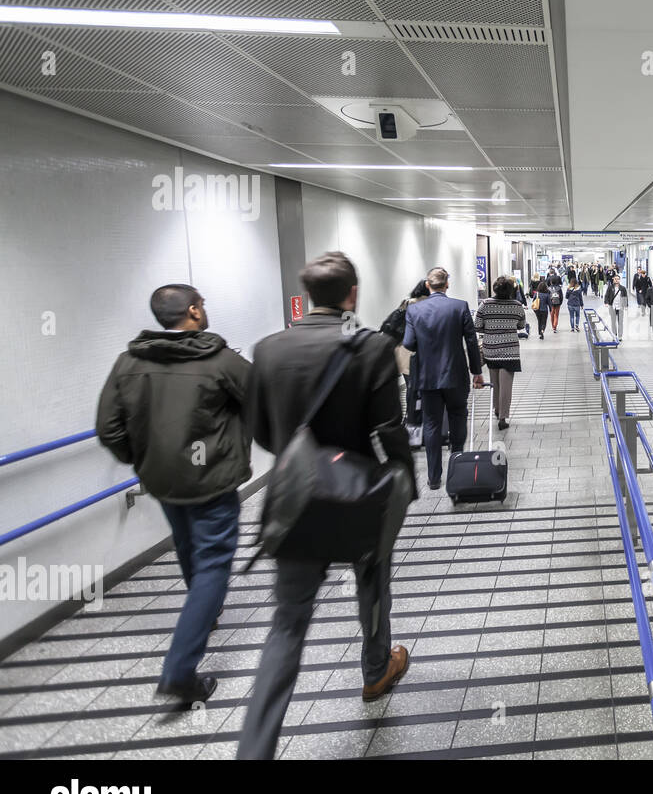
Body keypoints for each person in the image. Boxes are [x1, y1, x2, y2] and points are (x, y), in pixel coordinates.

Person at [237, 253, 415, 758]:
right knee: (372, 582)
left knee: (288, 620)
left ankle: (255, 747)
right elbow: (388, 426)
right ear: (352, 294)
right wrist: (404, 479)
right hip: (359, 493)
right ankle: (377, 669)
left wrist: (303, 463)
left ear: (309, 295)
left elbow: (264, 433)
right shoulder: (372, 346)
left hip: (296, 499)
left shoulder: (268, 350)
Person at [96, 284, 251, 704]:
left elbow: (108, 428)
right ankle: (181, 670)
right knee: (213, 565)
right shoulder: (220, 360)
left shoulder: (128, 363)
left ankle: (205, 611)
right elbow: (259, 400)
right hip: (212, 481)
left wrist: (142, 458)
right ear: (195, 311)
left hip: (162, 482)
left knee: (186, 546)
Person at [404, 267, 486, 489]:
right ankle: (457, 466)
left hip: (427, 378)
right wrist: (477, 372)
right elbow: (471, 342)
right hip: (456, 376)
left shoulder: (414, 311)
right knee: (458, 416)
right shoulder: (459, 307)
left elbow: (409, 344)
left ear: (428, 285)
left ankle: (433, 477)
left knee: (431, 423)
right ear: (447, 284)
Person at [380, 279, 431, 445]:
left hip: (402, 351)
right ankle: (418, 421)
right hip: (418, 352)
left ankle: (411, 421)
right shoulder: (428, 305)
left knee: (411, 387)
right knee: (421, 389)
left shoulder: (406, 302)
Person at [475, 276, 527, 430]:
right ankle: (503, 417)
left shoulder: (485, 305)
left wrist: (491, 330)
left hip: (490, 349)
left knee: (495, 383)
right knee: (506, 385)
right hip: (510, 350)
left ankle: (497, 410)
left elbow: (477, 326)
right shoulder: (517, 305)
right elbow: (521, 325)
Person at [604, 272, 629, 338]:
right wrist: (606, 302)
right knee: (613, 322)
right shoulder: (610, 287)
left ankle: (620, 336)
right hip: (612, 307)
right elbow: (606, 295)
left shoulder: (623, 288)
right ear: (613, 280)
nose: (616, 280)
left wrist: (626, 305)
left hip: (620, 307)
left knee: (620, 322)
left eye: (618, 279)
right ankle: (614, 335)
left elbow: (625, 297)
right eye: (615, 279)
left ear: (619, 280)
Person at [530, 273, 550, 339]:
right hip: (544, 310)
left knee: (539, 321)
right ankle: (542, 330)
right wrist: (550, 309)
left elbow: (534, 301)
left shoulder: (537, 294)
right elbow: (549, 303)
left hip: (538, 310)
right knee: (544, 321)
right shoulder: (547, 294)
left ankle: (539, 333)